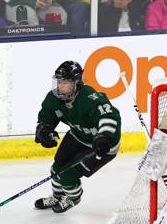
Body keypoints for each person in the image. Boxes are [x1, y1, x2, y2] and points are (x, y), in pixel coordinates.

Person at [34, 61, 121, 213]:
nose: (60, 86)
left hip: (102, 145)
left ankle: (73, 197)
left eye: (65, 82)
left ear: (76, 82)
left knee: (67, 175)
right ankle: (57, 196)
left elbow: (109, 116)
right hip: (77, 136)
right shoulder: (54, 98)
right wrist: (44, 131)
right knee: (56, 168)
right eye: (59, 81)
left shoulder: (89, 97)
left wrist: (104, 137)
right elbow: (46, 118)